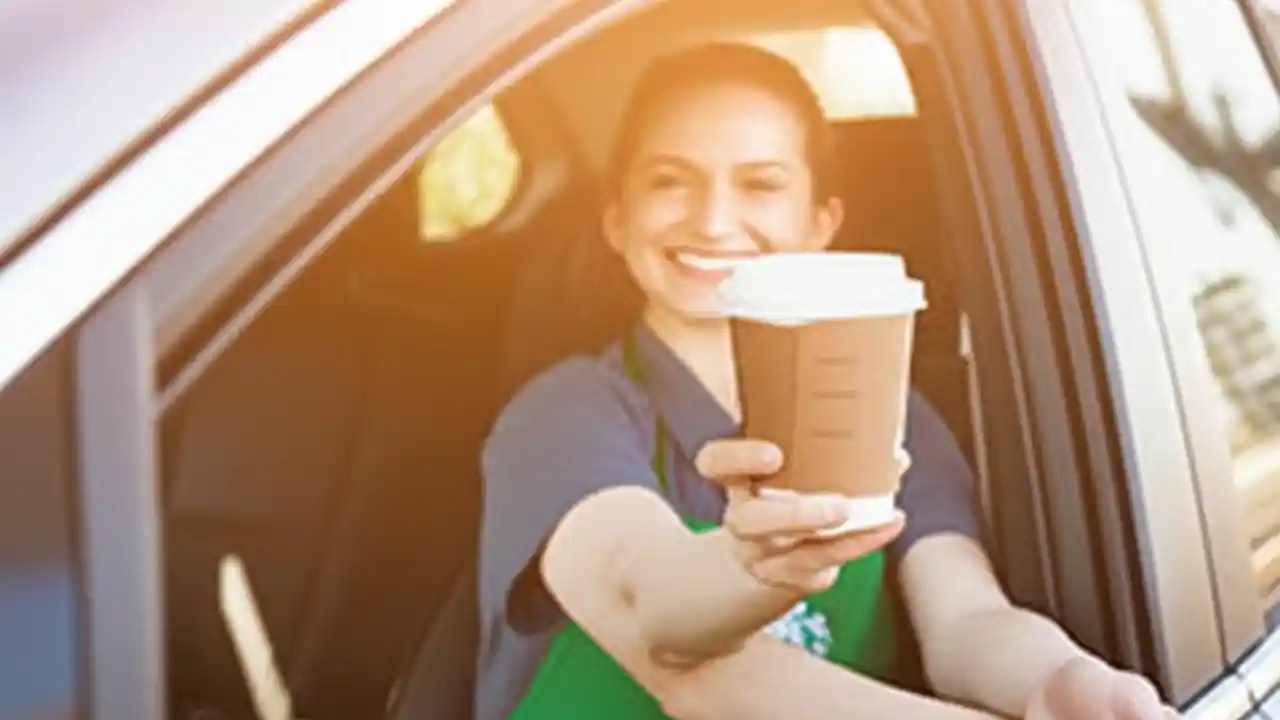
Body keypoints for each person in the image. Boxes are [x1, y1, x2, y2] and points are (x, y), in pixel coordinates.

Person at [476, 42, 1173, 719]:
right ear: (617, 219)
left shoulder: (890, 414)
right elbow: (661, 631)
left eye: (761, 184)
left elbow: (965, 616)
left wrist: (1052, 680)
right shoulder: (562, 415)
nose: (714, 220)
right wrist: (752, 564)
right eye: (669, 180)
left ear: (819, 224)